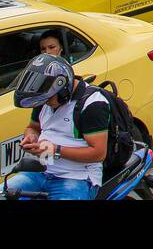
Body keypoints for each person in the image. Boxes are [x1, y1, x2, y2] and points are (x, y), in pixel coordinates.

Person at [8, 54, 110, 200]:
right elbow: (33, 127)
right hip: (40, 171)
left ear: (62, 88)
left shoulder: (92, 104)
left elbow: (98, 153)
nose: (46, 103)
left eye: (49, 99)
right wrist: (31, 137)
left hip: (76, 177)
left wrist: (54, 150)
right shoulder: (43, 98)